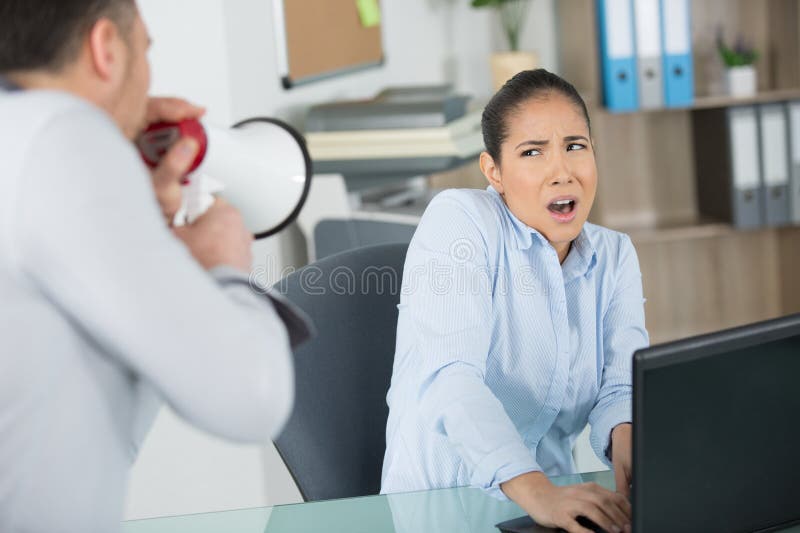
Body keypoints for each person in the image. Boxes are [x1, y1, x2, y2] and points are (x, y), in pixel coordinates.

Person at [0, 1, 310, 532]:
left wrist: (149, 235)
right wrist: (224, 268)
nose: (148, 79)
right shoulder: (64, 136)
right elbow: (251, 399)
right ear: (106, 48)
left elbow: (86, 422)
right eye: (145, 50)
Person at [381, 69, 648, 533]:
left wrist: (628, 443)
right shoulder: (458, 222)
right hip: (442, 514)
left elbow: (620, 387)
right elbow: (452, 379)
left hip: (553, 517)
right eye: (532, 153)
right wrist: (538, 491)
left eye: (575, 145)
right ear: (494, 172)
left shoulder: (614, 255)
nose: (561, 172)